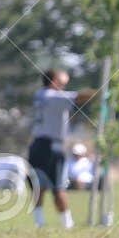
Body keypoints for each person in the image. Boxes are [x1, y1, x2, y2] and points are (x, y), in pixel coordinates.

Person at [27, 69, 94, 228]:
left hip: (37, 144)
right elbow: (79, 97)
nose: (65, 84)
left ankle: (39, 222)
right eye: (62, 81)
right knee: (58, 186)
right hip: (52, 146)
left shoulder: (40, 94)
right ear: (53, 81)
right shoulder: (53, 96)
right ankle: (67, 223)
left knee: (39, 185)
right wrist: (100, 92)